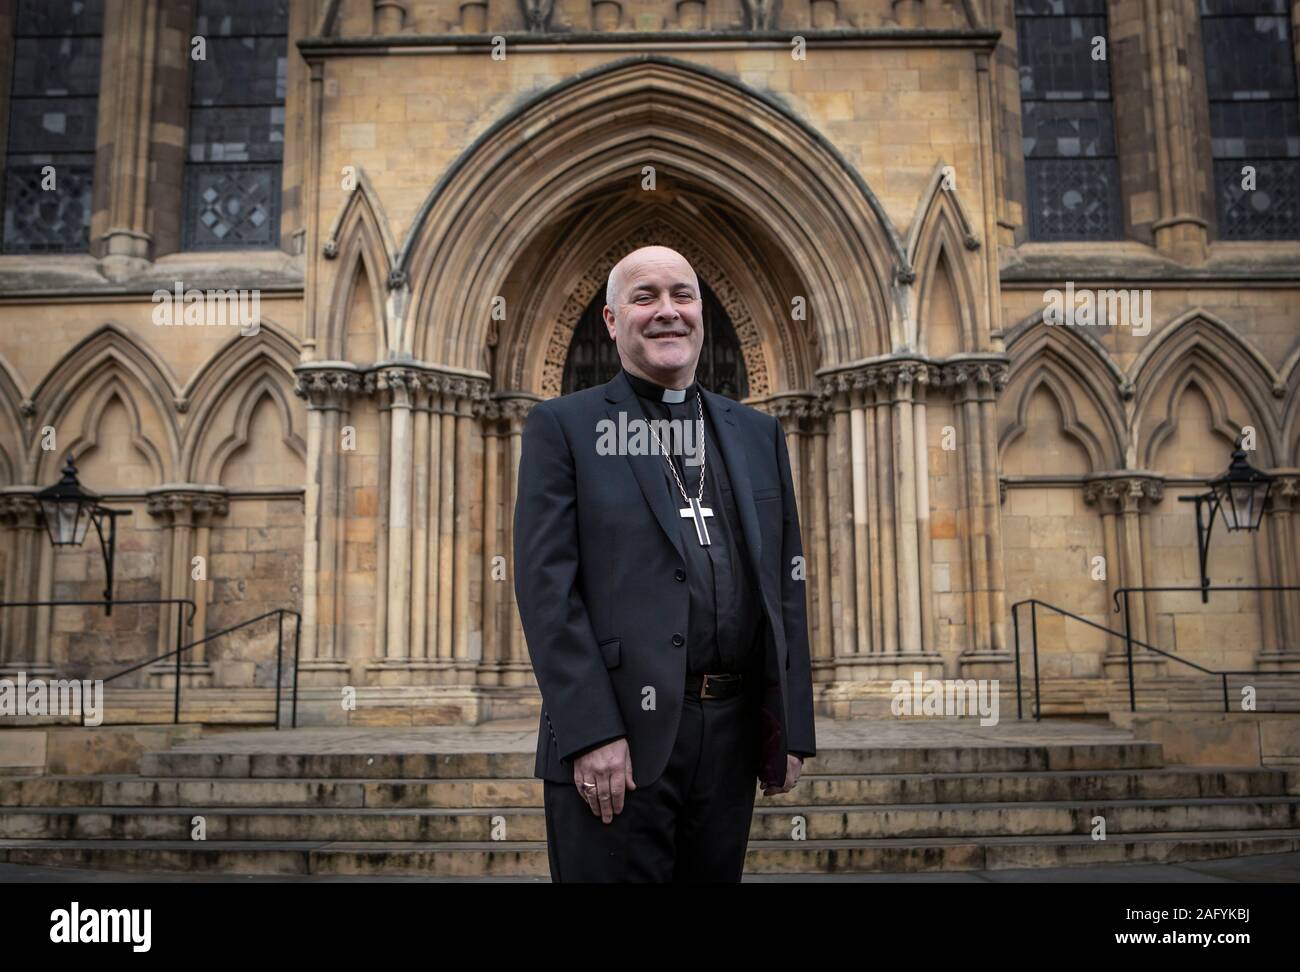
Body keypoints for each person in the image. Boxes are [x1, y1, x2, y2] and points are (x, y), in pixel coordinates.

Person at [513, 244, 816, 882]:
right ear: (612, 321)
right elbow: (547, 592)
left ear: (702, 312)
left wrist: (790, 725)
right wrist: (591, 732)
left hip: (730, 738)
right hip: (618, 738)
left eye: (682, 295)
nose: (668, 312)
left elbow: (784, 586)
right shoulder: (564, 426)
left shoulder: (755, 433)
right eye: (644, 297)